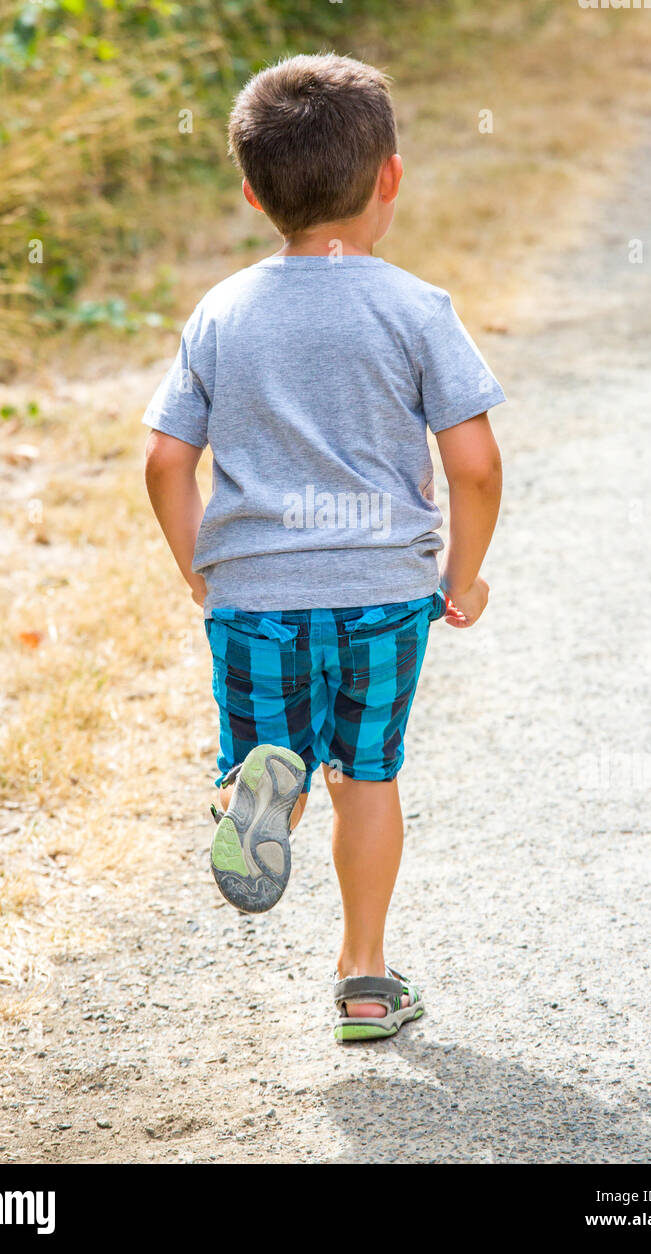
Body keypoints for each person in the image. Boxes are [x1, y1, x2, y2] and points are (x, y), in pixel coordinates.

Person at [143, 53, 504, 1042]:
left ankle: (261, 789)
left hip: (257, 591)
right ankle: (365, 978)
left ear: (252, 191)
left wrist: (197, 568)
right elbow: (472, 462)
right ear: (389, 177)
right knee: (370, 774)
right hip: (384, 590)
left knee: (278, 754)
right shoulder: (414, 308)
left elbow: (167, 460)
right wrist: (458, 577)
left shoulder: (222, 311)